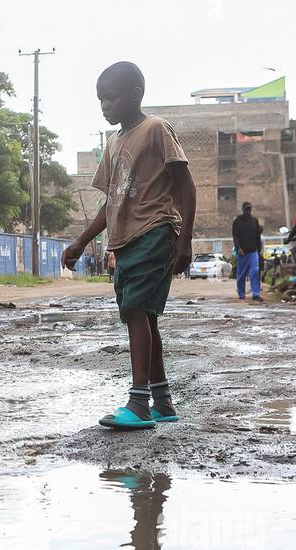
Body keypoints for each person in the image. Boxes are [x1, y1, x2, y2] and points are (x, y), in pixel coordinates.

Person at [63, 61, 197, 430]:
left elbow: (185, 186)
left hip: (154, 233)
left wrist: (184, 239)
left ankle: (138, 403)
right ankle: (162, 402)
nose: (105, 105)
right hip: (124, 243)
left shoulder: (156, 129)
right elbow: (112, 202)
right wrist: (80, 242)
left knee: (137, 312)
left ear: (135, 94)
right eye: (100, 99)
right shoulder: (113, 143)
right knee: (144, 316)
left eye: (111, 97)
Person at [231, 201, 264, 302]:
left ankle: (256, 293)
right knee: (241, 274)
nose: (248, 211)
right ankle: (241, 293)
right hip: (242, 252)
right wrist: (238, 248)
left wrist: (259, 252)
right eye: (246, 209)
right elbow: (235, 236)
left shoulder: (254, 221)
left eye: (249, 209)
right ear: (243, 210)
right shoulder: (237, 221)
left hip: (253, 252)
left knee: (254, 272)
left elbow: (257, 237)